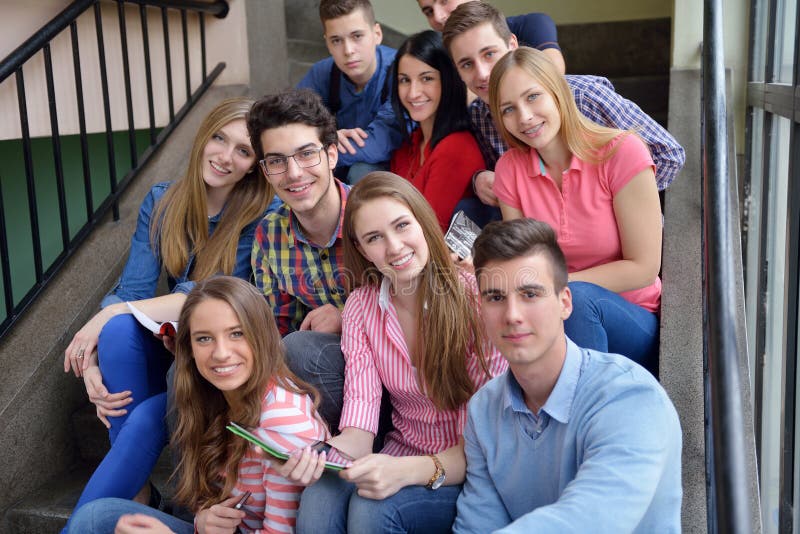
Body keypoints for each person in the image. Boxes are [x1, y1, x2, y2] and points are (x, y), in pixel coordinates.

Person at [62, 98, 277, 524]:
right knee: (120, 332)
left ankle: (132, 493)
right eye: (219, 138)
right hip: (173, 343)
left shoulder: (261, 213)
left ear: (254, 165)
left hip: (220, 355)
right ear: (204, 134)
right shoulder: (163, 200)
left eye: (243, 150)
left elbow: (205, 294)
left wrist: (101, 318)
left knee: (143, 412)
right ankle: (138, 489)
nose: (224, 156)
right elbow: (133, 289)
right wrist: (94, 360)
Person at [294, 172, 507, 533]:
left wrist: (405, 472)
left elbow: (486, 445)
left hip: (467, 470)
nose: (394, 247)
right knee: (320, 490)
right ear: (361, 249)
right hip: (399, 454)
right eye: (375, 237)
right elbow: (360, 431)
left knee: (371, 507)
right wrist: (314, 456)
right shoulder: (361, 307)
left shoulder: (477, 300)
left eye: (402, 225)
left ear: (422, 222)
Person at [453, 218, 682, 532]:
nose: (512, 315)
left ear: (564, 303)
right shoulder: (484, 409)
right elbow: (477, 525)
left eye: (530, 294)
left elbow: (590, 521)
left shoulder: (630, 396)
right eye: (495, 298)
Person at [66, 276, 330, 533]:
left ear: (262, 337)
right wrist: (202, 522)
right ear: (188, 347)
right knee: (95, 518)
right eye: (204, 338)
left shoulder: (283, 420)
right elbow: (207, 503)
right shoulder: (207, 396)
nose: (221, 353)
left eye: (236, 334)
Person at [489, 46, 663, 372]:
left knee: (579, 300)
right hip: (554, 314)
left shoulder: (623, 152)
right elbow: (523, 262)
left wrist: (556, 287)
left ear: (558, 92)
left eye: (533, 97)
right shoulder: (509, 170)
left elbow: (643, 267)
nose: (524, 117)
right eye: (508, 109)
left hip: (631, 318)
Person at [442, 1, 685, 224]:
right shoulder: (479, 116)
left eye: (489, 54)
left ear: (512, 45)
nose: (483, 73)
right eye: (467, 64)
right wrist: (478, 180)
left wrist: (615, 202)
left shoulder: (584, 95)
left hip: (623, 237)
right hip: (548, 249)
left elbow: (668, 154)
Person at [247, 88, 350, 430]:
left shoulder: (376, 216)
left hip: (394, 376)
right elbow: (276, 325)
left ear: (332, 154)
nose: (293, 173)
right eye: (277, 161)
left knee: (302, 349)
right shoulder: (269, 236)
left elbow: (417, 308)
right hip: (326, 383)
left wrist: (348, 316)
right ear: (265, 171)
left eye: (307, 154)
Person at [297, 0, 403, 183]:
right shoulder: (323, 73)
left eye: (357, 36)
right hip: (334, 159)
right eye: (336, 40)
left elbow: (378, 143)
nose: (348, 50)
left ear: (377, 34)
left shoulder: (401, 71)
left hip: (391, 168)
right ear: (327, 43)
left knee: (361, 172)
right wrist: (327, 138)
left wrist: (322, 146)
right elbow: (290, 122)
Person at [389, 30, 484, 231]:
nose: (413, 93)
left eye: (427, 78)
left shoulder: (456, 147)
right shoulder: (410, 144)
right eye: (404, 80)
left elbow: (430, 232)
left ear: (448, 81)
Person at [415, 0, 565, 74]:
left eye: (444, 0)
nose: (439, 16)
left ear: (512, 43)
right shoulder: (437, 53)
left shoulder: (531, 24)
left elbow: (553, 74)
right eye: (429, 12)